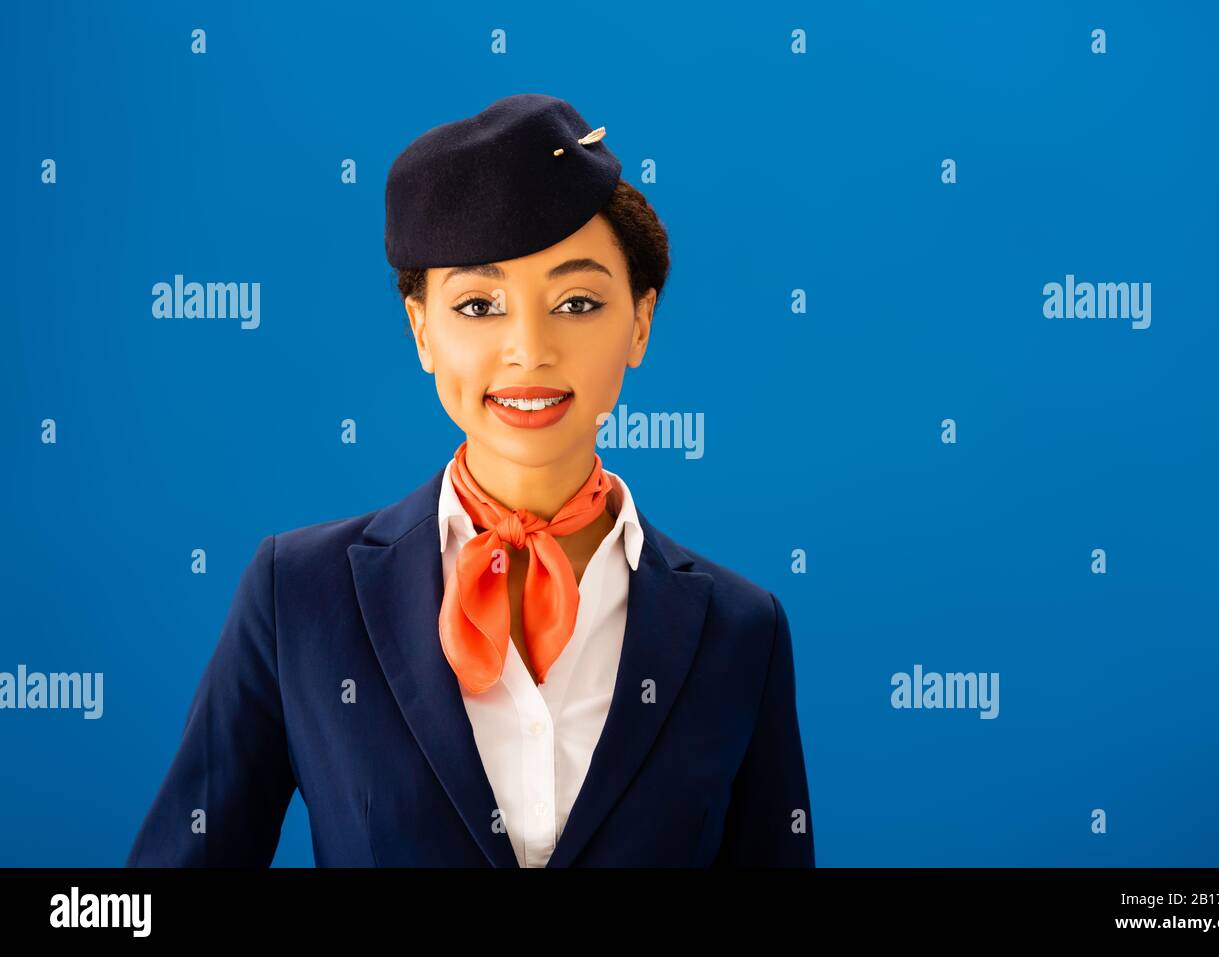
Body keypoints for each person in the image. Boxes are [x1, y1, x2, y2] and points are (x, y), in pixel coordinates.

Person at [126, 93, 814, 868]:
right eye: (479, 305)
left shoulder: (742, 631)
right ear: (422, 330)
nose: (529, 350)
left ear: (640, 323)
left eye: (577, 302)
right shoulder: (298, 596)